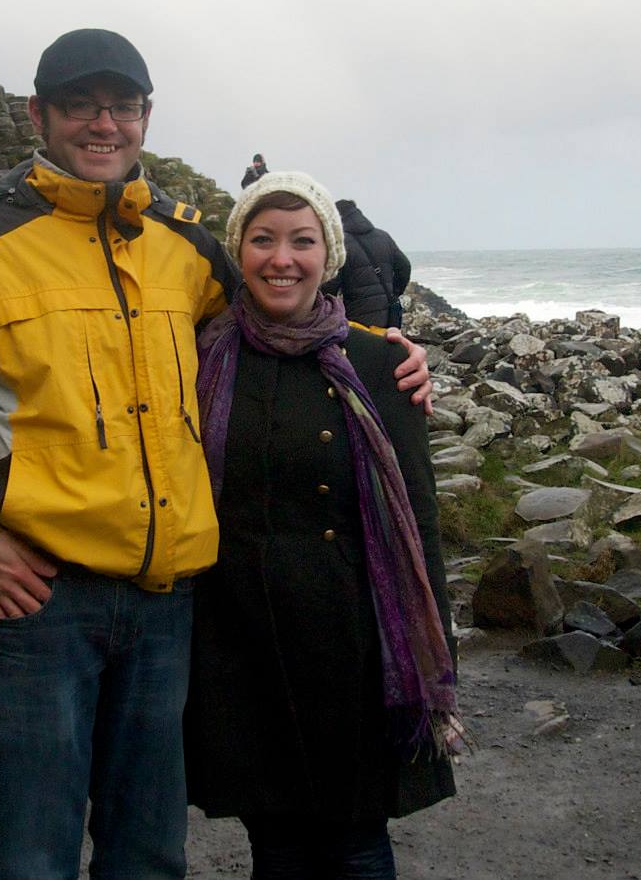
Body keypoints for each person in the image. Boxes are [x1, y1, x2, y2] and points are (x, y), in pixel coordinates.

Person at [0, 30, 430, 880]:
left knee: (150, 856)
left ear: (146, 117)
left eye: (122, 106)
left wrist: (390, 355)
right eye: (81, 105)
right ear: (38, 115)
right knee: (34, 856)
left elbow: (285, 318)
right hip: (38, 607)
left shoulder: (184, 249)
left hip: (168, 612)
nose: (103, 124)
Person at [187, 170, 460, 880]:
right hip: (241, 642)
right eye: (264, 239)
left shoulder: (383, 363)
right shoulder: (199, 357)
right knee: (275, 845)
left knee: (356, 843)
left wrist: (437, 650)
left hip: (355, 644)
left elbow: (418, 519)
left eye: (302, 241)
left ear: (328, 255)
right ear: (238, 251)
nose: (283, 258)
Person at [324, 198, 413, 330]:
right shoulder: (384, 237)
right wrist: (394, 292)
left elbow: (331, 284)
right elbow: (405, 267)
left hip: (358, 317)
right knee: (387, 348)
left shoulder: (341, 244)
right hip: (389, 316)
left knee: (363, 349)